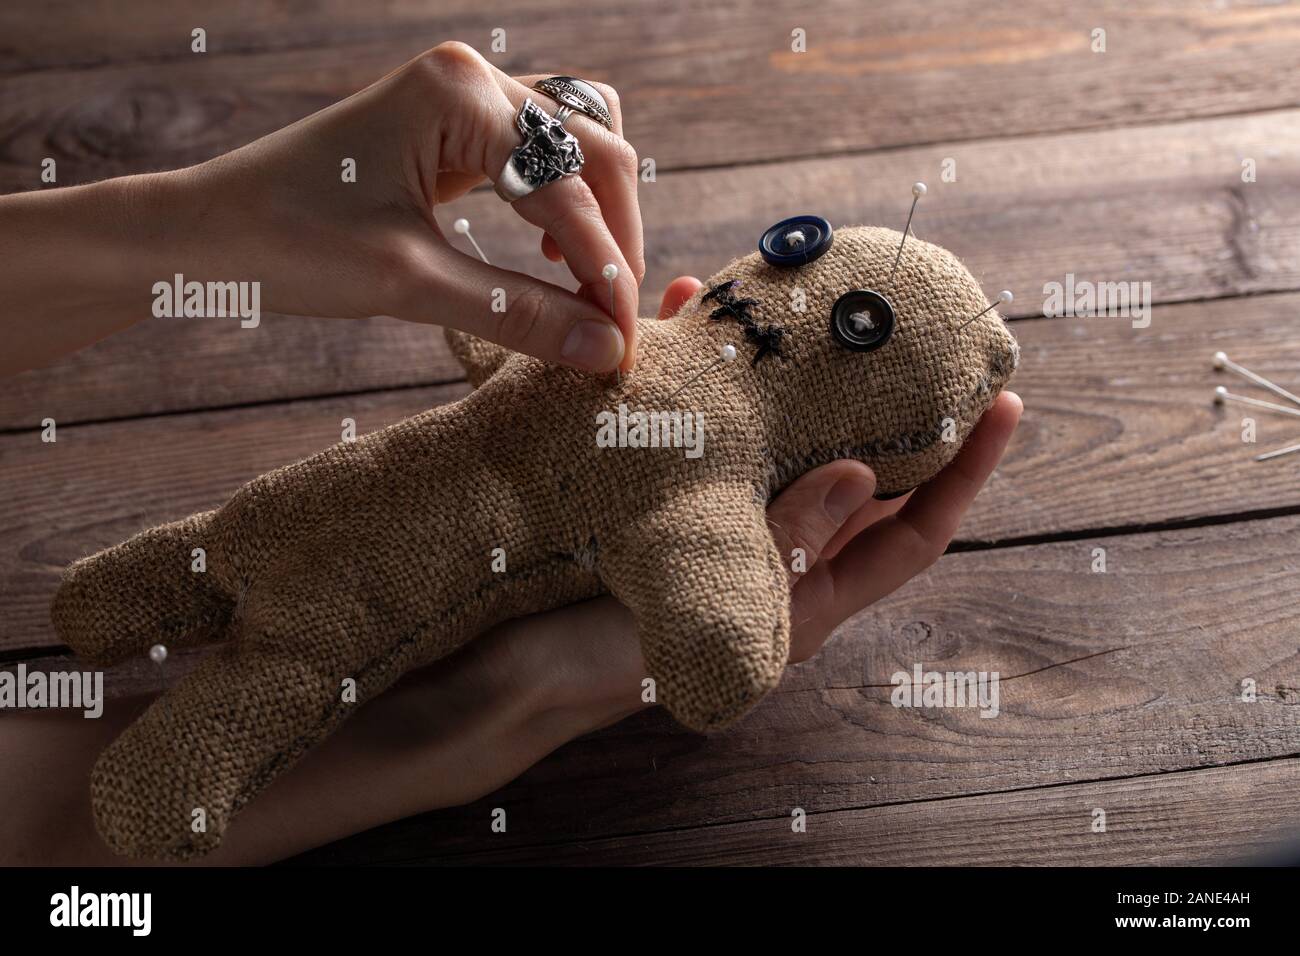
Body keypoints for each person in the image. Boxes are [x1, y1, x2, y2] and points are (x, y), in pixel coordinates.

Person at [0, 43, 1021, 864]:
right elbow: (714, 631)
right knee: (235, 555)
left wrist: (187, 227)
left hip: (354, 594)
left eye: (853, 321)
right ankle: (141, 648)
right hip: (306, 526)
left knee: (277, 640)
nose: (787, 288)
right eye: (794, 249)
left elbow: (710, 627)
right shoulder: (644, 369)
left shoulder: (698, 457)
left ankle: (163, 752)